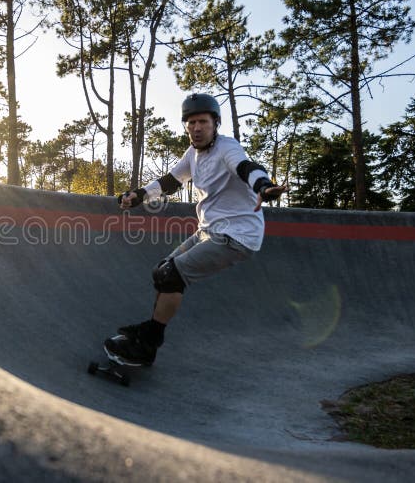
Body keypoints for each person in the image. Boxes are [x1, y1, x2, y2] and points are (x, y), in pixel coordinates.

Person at [105, 93, 287, 366]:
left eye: (202, 121)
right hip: (209, 230)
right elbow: (170, 180)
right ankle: (147, 340)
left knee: (172, 275)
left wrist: (263, 186)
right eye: (190, 123)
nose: (197, 128)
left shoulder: (227, 148)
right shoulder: (192, 154)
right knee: (162, 271)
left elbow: (246, 167)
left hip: (237, 234)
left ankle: (148, 344)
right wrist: (139, 195)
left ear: (215, 123)